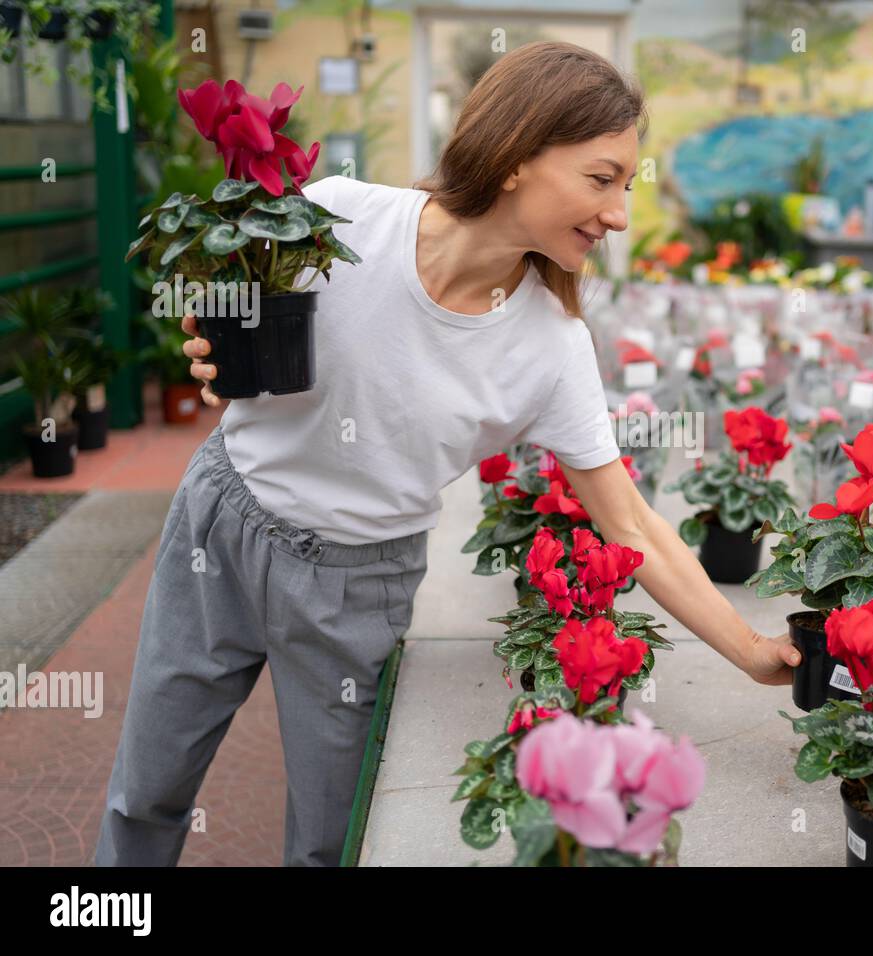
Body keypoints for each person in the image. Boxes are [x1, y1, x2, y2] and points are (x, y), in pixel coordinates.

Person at [95, 40, 801, 867]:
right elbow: (232, 323)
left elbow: (629, 520)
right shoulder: (338, 215)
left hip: (355, 583)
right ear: (514, 157)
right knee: (146, 793)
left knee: (329, 842)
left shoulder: (551, 346)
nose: (618, 213)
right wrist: (209, 349)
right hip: (222, 524)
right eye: (601, 179)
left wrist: (751, 654)